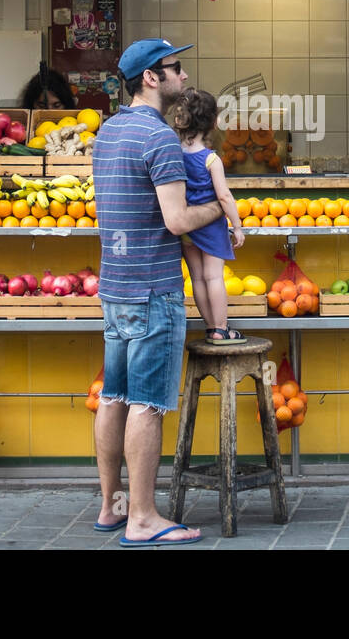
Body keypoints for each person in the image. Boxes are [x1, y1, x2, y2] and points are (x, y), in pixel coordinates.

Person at [90, 38, 222, 547]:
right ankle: (143, 518)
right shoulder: (161, 139)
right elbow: (177, 220)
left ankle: (112, 506)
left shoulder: (108, 130)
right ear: (151, 77)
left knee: (115, 396)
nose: (184, 77)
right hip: (151, 289)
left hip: (116, 287)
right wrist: (223, 211)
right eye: (175, 68)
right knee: (147, 404)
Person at [172, 87, 246, 346]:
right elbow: (224, 197)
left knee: (197, 278)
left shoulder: (174, 154)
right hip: (212, 227)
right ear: (213, 122)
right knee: (214, 276)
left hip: (187, 225)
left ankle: (210, 327)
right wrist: (237, 226)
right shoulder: (211, 160)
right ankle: (222, 329)